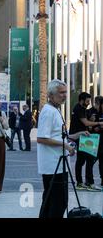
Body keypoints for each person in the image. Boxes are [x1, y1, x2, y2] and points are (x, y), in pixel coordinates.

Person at [37, 80, 90, 218]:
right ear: (50, 94)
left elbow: (60, 136)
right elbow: (41, 138)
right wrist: (66, 145)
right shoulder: (48, 111)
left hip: (59, 164)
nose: (65, 95)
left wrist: (76, 135)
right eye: (61, 92)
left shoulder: (55, 110)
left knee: (51, 202)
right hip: (53, 165)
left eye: (65, 92)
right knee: (59, 203)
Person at [70, 92, 102, 191]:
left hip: (83, 136)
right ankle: (89, 183)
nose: (89, 103)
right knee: (88, 159)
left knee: (82, 160)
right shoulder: (79, 109)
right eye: (87, 101)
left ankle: (81, 183)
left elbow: (86, 123)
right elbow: (86, 122)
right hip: (80, 137)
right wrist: (98, 122)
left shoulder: (81, 109)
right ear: (82, 100)